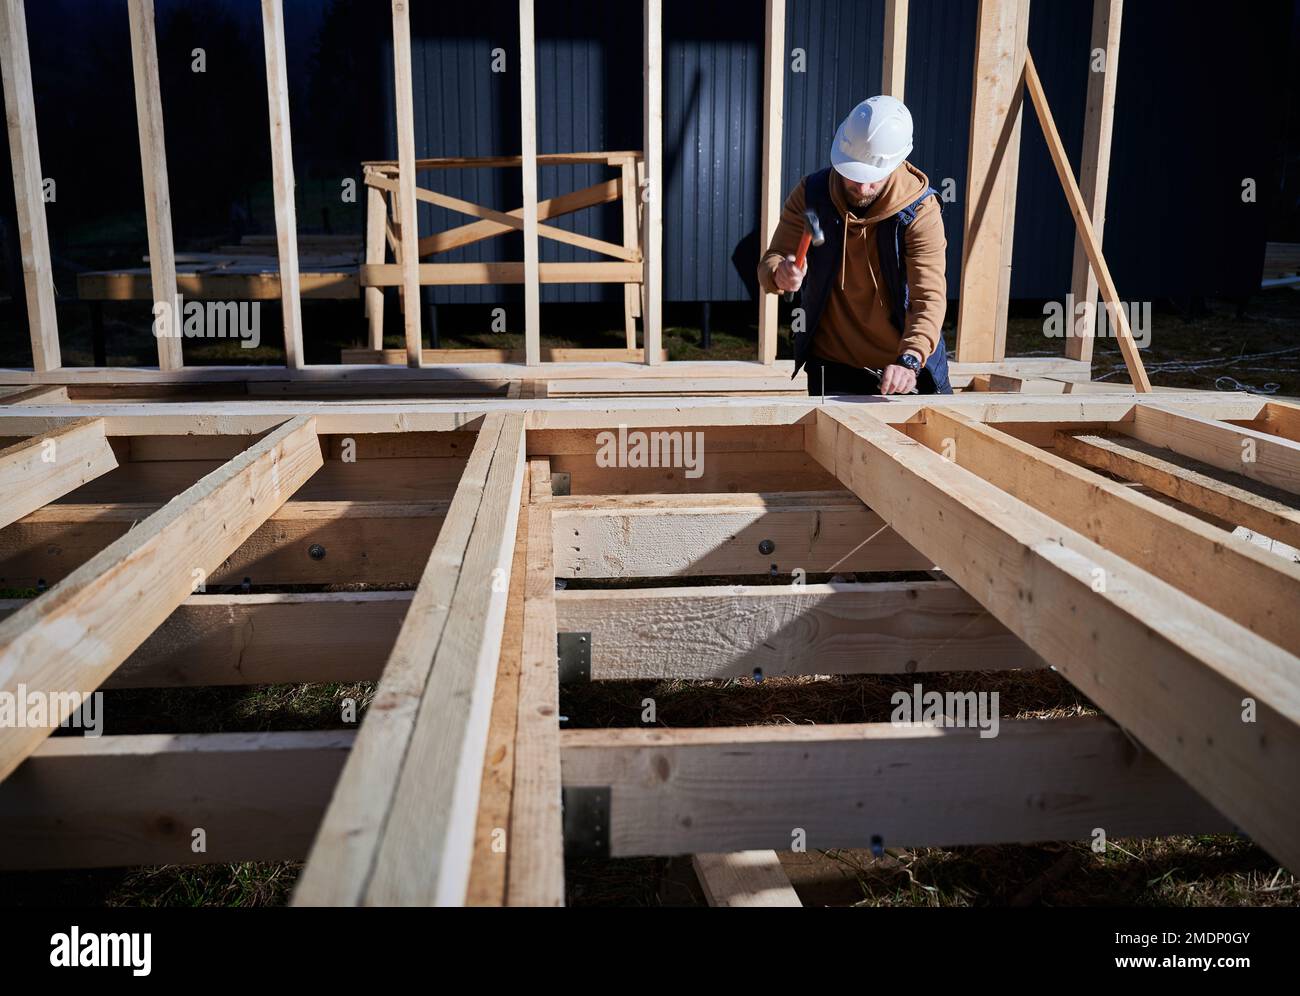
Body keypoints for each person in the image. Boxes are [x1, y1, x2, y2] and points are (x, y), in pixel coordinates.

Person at [758, 95, 951, 396]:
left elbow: (929, 297)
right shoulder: (812, 196)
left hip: (901, 370)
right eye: (854, 174)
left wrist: (911, 359)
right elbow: (770, 262)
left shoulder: (920, 211)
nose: (862, 188)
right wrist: (779, 273)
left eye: (873, 178)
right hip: (833, 368)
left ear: (897, 162)